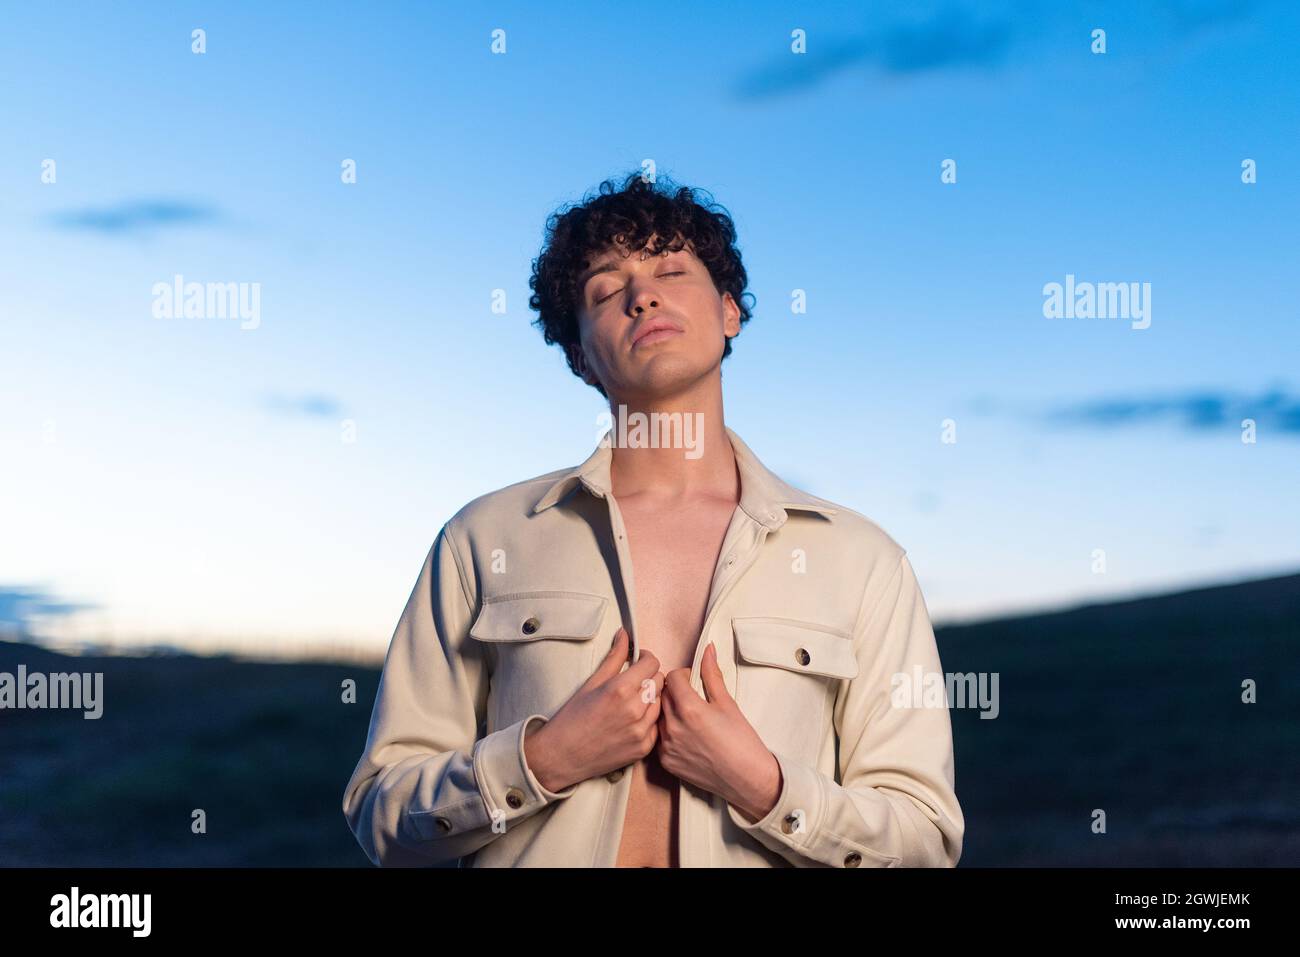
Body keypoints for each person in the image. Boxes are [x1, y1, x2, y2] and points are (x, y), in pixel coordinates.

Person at [341, 171, 964, 868]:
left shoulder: (862, 560)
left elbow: (924, 840)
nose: (643, 294)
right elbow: (382, 813)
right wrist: (543, 759)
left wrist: (761, 785)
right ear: (579, 355)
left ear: (730, 311)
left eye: (671, 269)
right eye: (607, 290)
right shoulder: (483, 540)